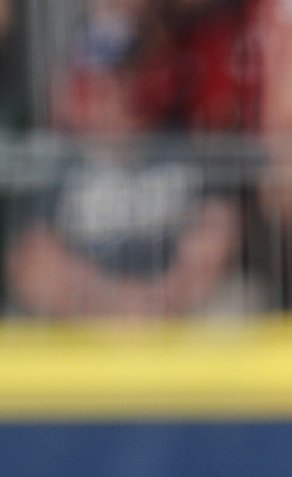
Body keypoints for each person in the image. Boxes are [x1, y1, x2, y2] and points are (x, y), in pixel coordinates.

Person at [8, 32, 241, 318]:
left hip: (180, 313)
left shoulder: (184, 143)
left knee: (235, 310)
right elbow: (34, 261)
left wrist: (164, 298)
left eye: (128, 77)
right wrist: (111, 302)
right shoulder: (59, 159)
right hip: (84, 318)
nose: (118, 92)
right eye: (102, 83)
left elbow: (217, 235)